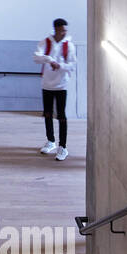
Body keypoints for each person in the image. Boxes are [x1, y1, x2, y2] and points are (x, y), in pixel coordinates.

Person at [34, 18, 77, 161]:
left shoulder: (69, 45)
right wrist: (49, 60)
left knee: (61, 116)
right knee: (47, 114)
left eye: (66, 30)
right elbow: (36, 57)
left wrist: (60, 66)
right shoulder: (45, 42)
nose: (64, 32)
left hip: (61, 85)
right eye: (62, 30)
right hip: (46, 84)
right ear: (56, 29)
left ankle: (63, 147)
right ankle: (51, 141)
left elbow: (72, 65)